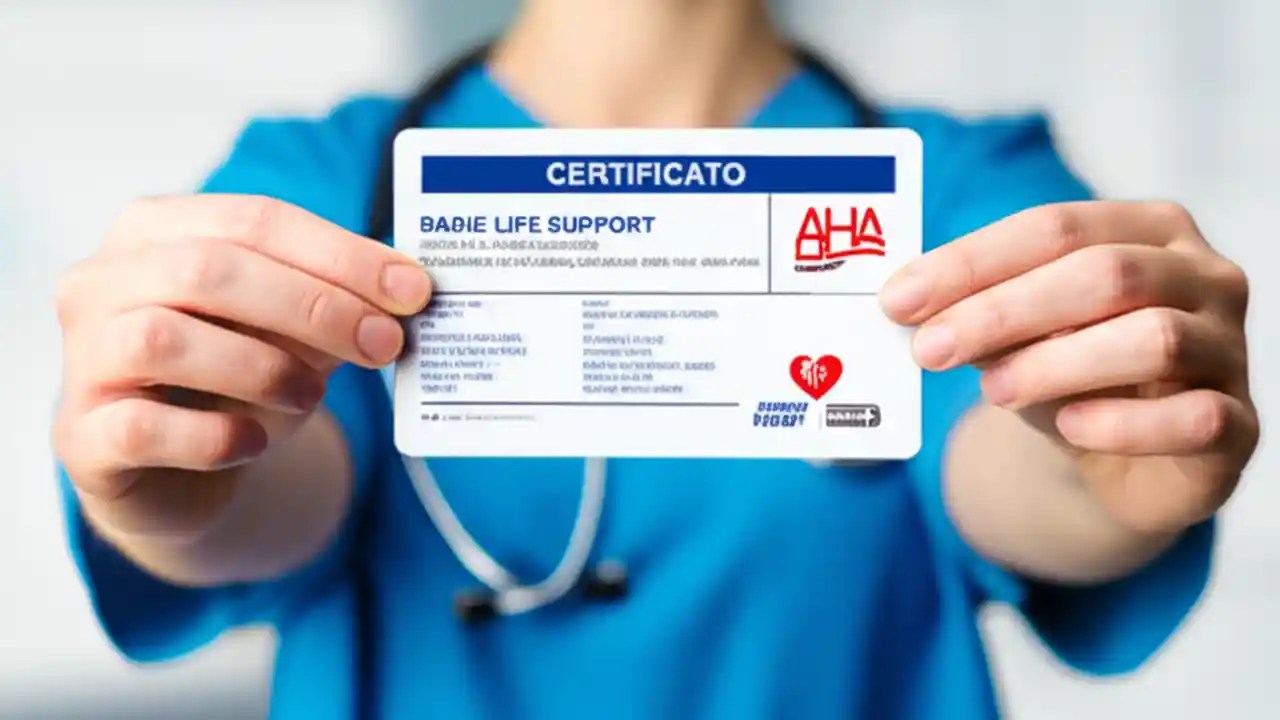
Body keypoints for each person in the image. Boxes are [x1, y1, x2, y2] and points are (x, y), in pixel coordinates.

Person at [51, 1, 1259, 718]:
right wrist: (181, 473)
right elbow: (274, 490)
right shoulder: (319, 184)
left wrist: (1107, 462)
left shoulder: (970, 186)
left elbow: (1009, 474)